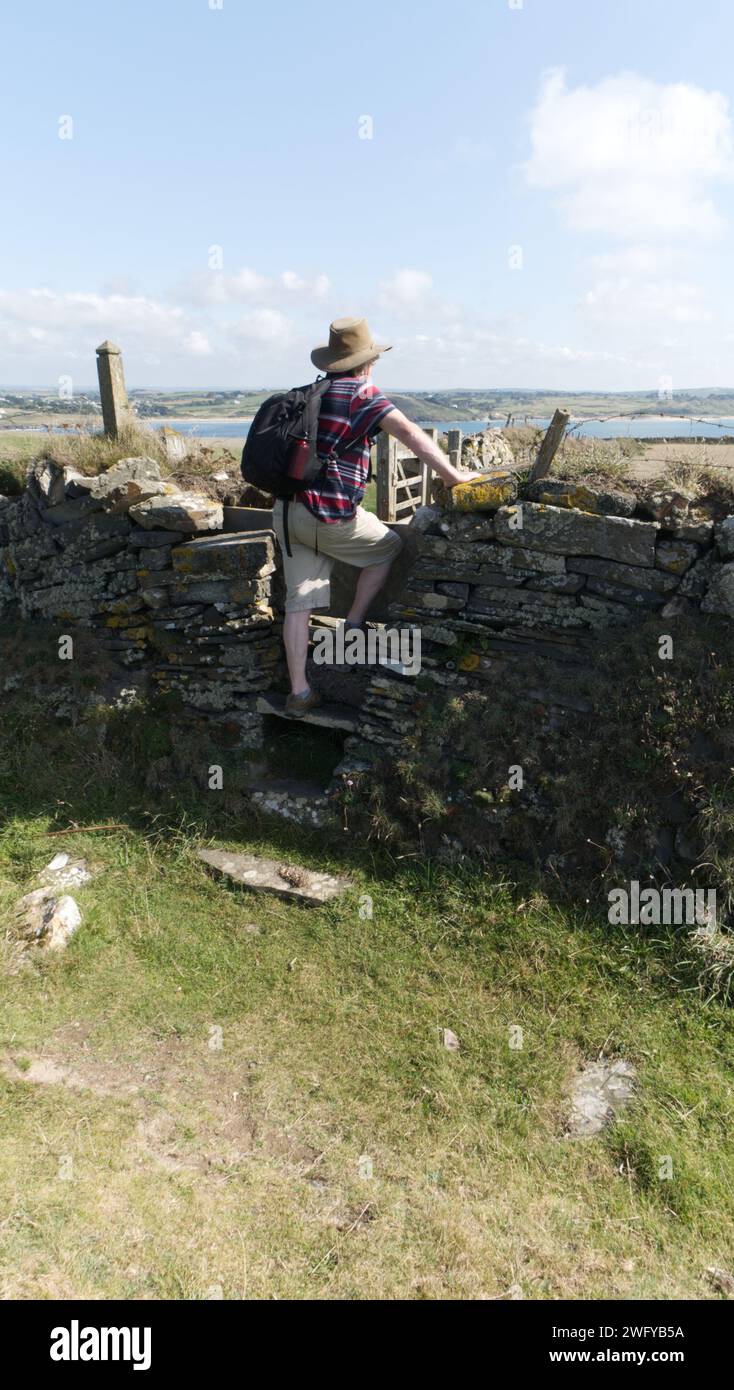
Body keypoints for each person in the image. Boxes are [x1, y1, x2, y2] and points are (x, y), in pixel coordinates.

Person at [272, 316, 474, 714]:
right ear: (366, 363)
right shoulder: (362, 394)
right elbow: (411, 434)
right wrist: (454, 477)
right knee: (389, 547)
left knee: (299, 605)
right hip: (330, 515)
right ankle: (353, 624)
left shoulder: (310, 392)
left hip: (286, 511)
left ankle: (299, 693)